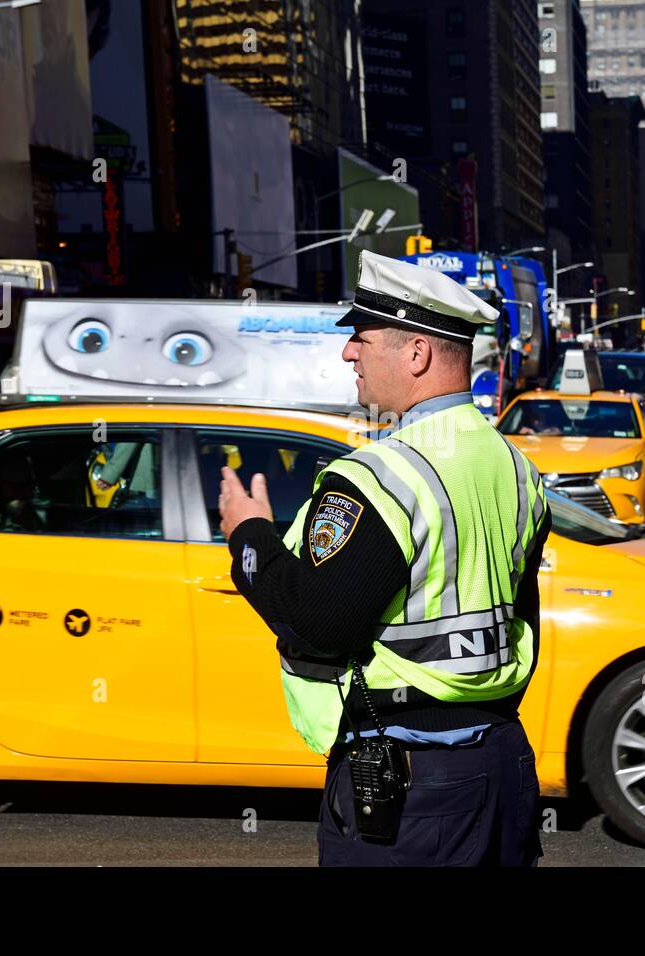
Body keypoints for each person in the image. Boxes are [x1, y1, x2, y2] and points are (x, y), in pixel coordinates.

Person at [218, 249, 552, 867]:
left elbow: (319, 625)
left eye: (362, 339)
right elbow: (520, 614)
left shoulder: (378, 476)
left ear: (417, 354)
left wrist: (249, 539)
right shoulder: (516, 468)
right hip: (503, 762)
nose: (349, 353)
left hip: (409, 783)